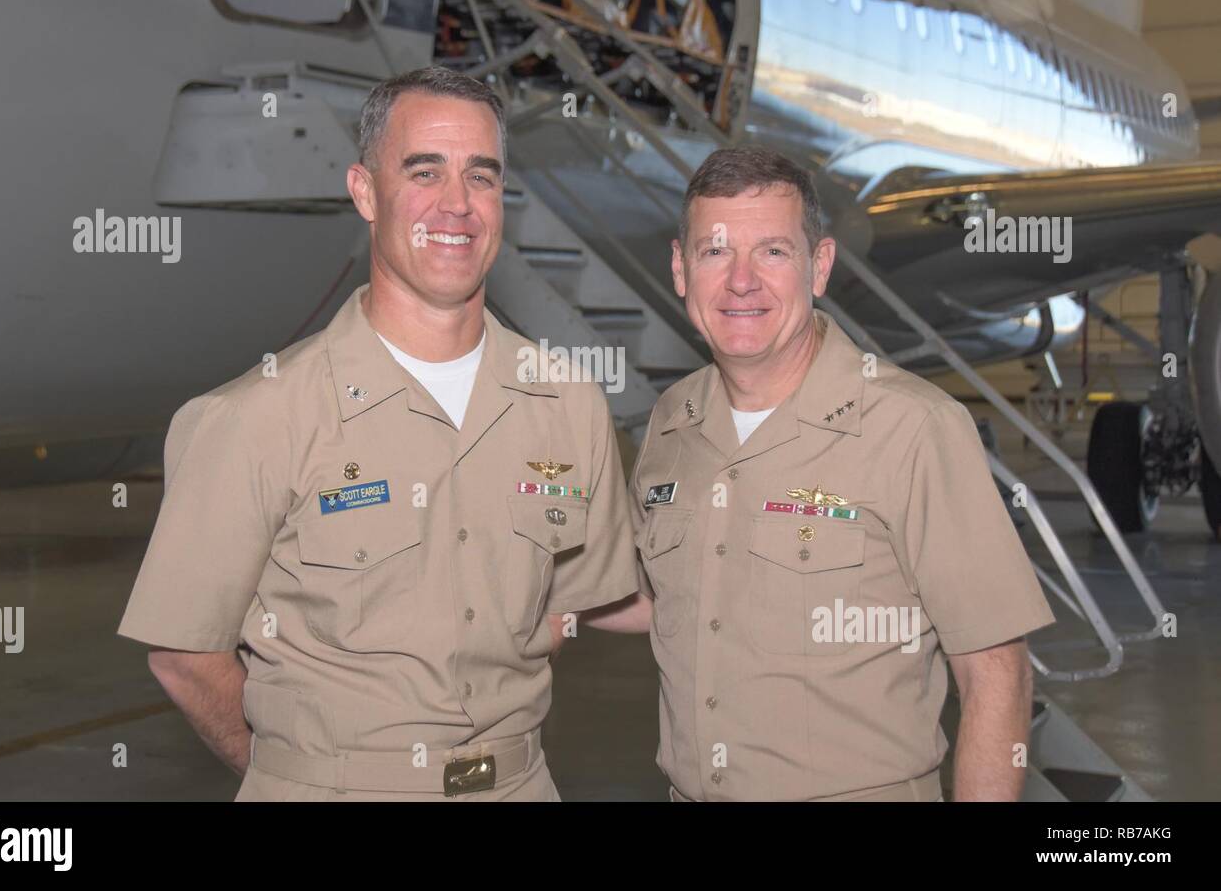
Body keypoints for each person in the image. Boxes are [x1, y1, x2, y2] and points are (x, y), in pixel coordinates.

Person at [118, 66, 638, 800]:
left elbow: (570, 604)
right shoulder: (255, 417)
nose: (456, 206)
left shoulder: (568, 401)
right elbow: (183, 655)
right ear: (365, 191)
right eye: (424, 172)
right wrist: (291, 773)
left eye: (481, 177)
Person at [584, 146, 1055, 801]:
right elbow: (662, 597)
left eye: (773, 252)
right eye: (715, 252)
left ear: (820, 265)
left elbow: (997, 675)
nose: (741, 281)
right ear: (680, 269)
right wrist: (530, 578)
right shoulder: (673, 420)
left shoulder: (913, 428)